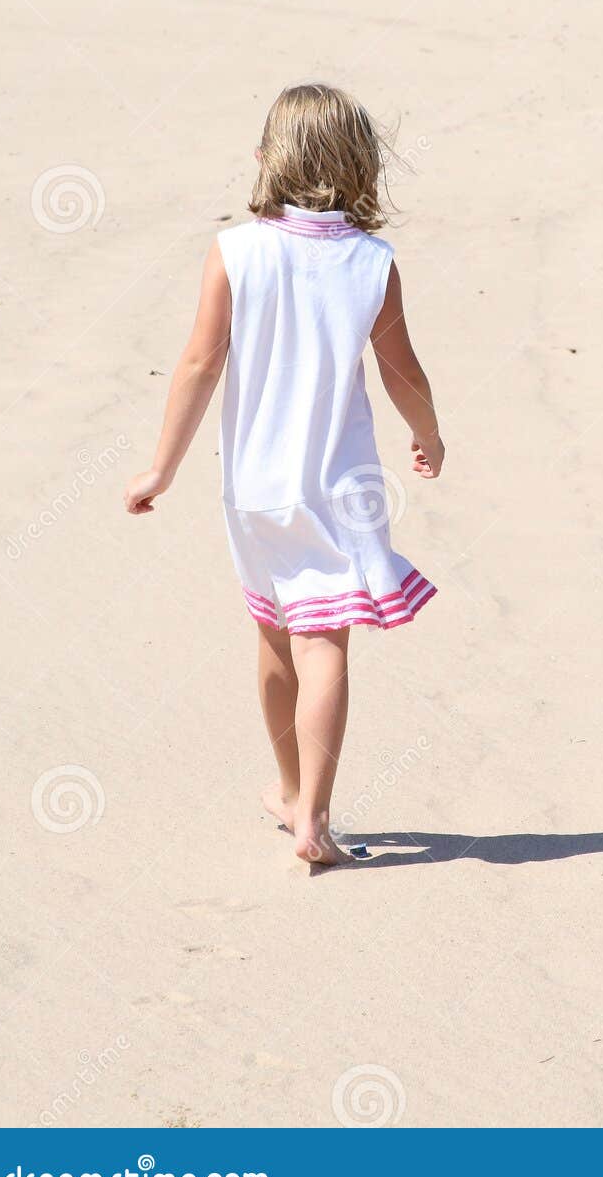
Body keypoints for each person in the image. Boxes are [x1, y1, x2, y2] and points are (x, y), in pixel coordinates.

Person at [124, 84, 443, 868]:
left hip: (254, 484)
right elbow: (401, 370)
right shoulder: (372, 263)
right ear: (359, 164)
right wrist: (428, 433)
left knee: (272, 628)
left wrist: (160, 467)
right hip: (340, 485)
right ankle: (314, 818)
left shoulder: (236, 250)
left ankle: (291, 787)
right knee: (323, 640)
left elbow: (200, 362)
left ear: (269, 159)